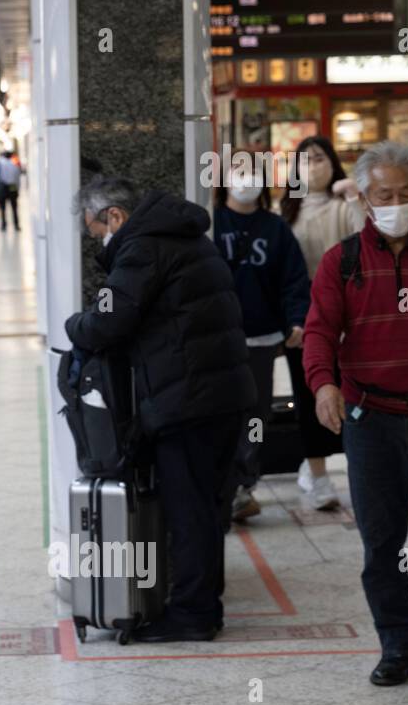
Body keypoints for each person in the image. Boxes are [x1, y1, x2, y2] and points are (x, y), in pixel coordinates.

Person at [66, 175, 255, 642]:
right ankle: (205, 605)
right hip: (224, 394)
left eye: (95, 230)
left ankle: (192, 615)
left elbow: (108, 320)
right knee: (209, 507)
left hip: (187, 399)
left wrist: (74, 325)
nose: (98, 240)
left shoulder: (142, 247)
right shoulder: (185, 236)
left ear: (114, 216)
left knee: (189, 511)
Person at [302, 140, 408, 701]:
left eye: (407, 195)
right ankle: (397, 648)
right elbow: (319, 329)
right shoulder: (340, 262)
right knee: (382, 545)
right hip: (371, 421)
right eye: (385, 195)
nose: (397, 203)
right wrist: (323, 383)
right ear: (364, 197)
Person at [212, 160, 310, 522]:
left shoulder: (275, 229)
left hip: (262, 341)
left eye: (253, 172)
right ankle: (218, 483)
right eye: (238, 171)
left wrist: (297, 321)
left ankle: (244, 486)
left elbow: (294, 281)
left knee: (255, 416)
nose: (246, 180)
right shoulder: (211, 223)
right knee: (219, 413)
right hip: (216, 342)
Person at [281, 135, 364, 510]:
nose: (312, 165)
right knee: (310, 394)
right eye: (305, 160)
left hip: (350, 320)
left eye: (319, 158)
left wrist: (354, 197)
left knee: (353, 395)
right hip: (304, 322)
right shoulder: (284, 213)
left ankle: (358, 466)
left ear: (333, 163)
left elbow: (367, 238)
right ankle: (317, 476)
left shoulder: (343, 207)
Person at [0, 151, 21, 231]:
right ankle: (16, 225)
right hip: (12, 187)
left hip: (3, 187)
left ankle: (3, 225)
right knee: (14, 208)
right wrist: (17, 188)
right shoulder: (14, 164)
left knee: (2, 208)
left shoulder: (0, 164)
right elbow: (17, 178)